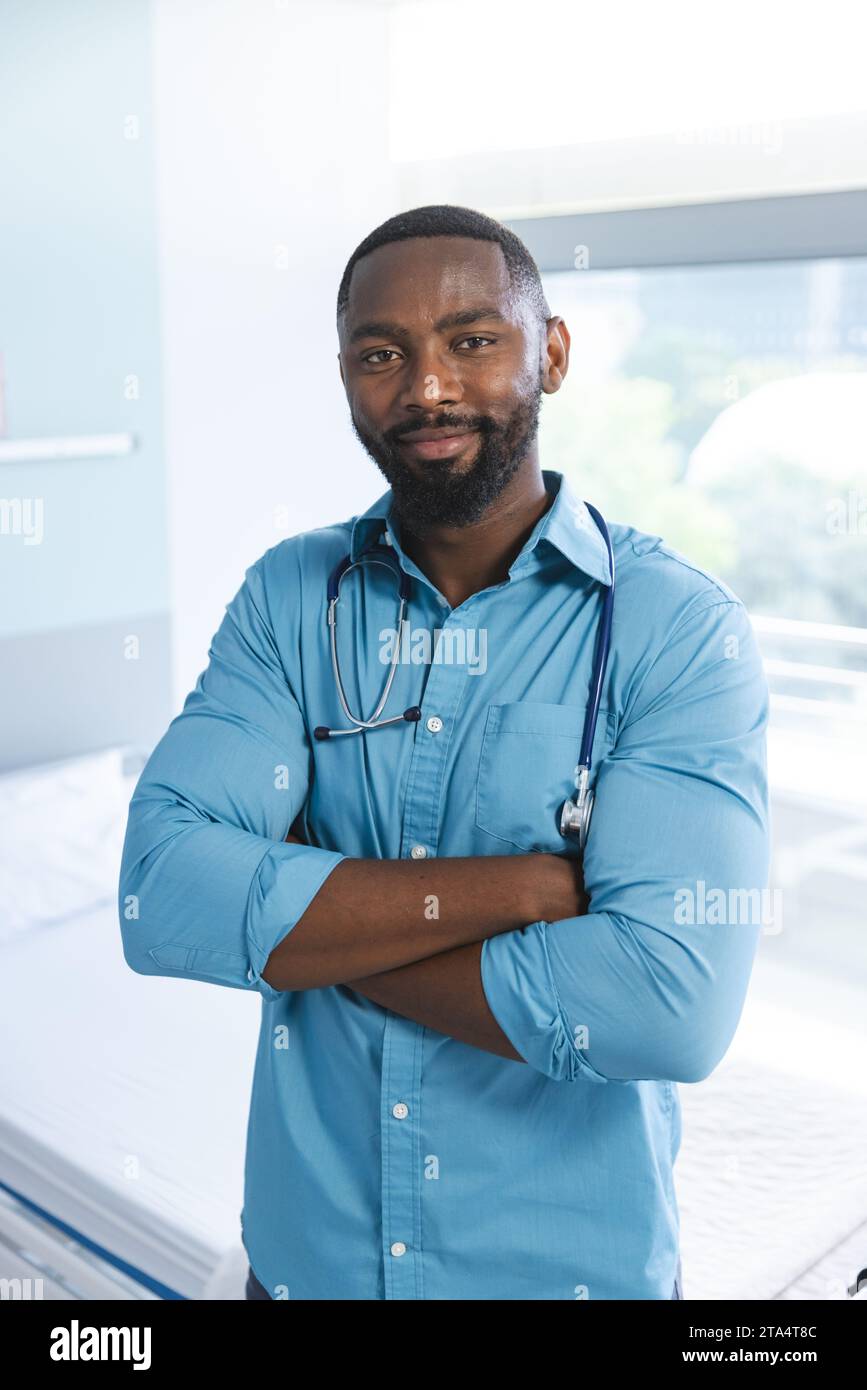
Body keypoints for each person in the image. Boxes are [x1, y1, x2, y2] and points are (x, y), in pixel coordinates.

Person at [119, 204, 769, 1301]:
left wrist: (306, 930)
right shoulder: (294, 599)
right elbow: (160, 894)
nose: (426, 388)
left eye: (473, 340)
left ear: (550, 353)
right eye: (383, 354)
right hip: (301, 1272)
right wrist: (515, 889)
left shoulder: (673, 627)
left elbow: (668, 1006)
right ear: (345, 377)